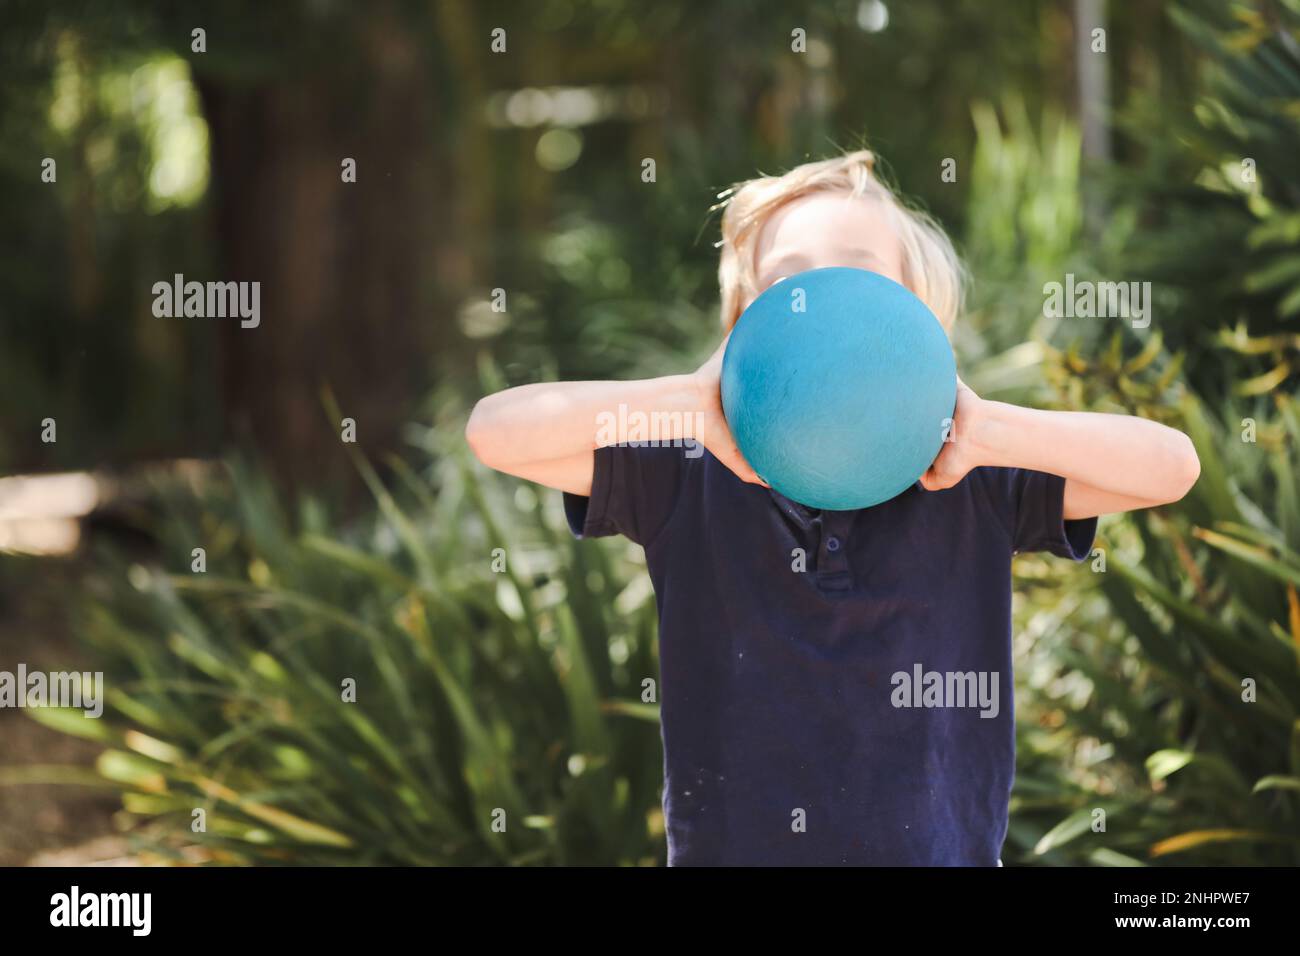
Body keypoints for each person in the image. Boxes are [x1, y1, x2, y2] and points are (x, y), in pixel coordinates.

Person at [464, 149, 1200, 866]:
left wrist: (990, 429)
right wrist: (687, 403)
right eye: (785, 280)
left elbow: (1171, 467)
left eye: (854, 269)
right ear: (740, 323)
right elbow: (497, 433)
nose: (817, 297)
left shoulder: (977, 470)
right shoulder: (684, 469)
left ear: (919, 314)